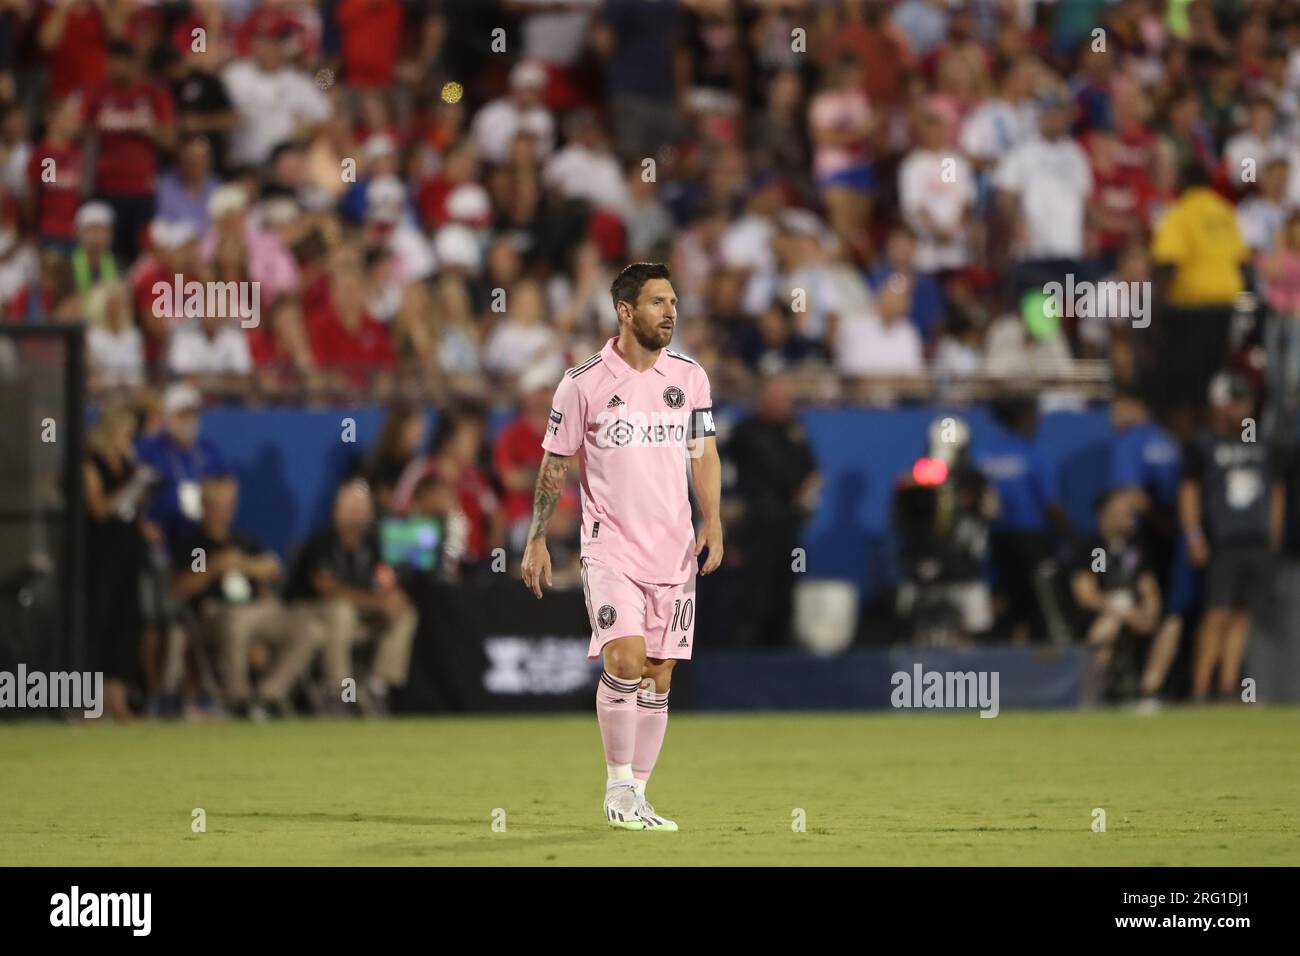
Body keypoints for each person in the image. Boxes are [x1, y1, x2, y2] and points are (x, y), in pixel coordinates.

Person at [521, 262, 723, 832]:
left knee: (659, 675)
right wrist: (536, 537)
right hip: (610, 548)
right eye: (659, 302)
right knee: (626, 661)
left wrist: (714, 521)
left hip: (674, 550)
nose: (672, 313)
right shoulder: (582, 383)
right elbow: (555, 463)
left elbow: (703, 453)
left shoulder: (691, 377)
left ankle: (638, 794)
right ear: (626, 311)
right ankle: (616, 788)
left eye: (675, 302)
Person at [173, 476, 325, 718]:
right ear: (204, 507)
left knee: (311, 630)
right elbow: (180, 588)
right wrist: (213, 567)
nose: (224, 512)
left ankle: (267, 696)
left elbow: (273, 567)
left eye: (229, 505)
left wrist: (242, 564)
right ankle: (237, 697)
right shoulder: (195, 545)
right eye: (218, 506)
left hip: (260, 611)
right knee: (237, 622)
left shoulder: (243, 540)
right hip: (217, 612)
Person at [1179, 371, 1285, 702]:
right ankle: (1200, 689)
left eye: (1245, 401)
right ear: (1219, 406)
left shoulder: (1263, 443)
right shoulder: (1204, 444)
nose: (1243, 409)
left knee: (1242, 617)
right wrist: (1194, 535)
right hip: (1223, 541)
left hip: (1256, 540)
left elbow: (1276, 491)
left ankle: (1227, 689)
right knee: (1216, 614)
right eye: (1235, 402)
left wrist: (1274, 534)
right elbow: (1189, 492)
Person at [286, 480, 417, 716]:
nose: (358, 513)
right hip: (307, 613)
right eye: (351, 506)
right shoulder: (321, 542)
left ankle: (378, 686)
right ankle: (338, 691)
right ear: (337, 510)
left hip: (357, 616)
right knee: (340, 611)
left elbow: (385, 580)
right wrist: (376, 602)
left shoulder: (374, 544)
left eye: (362, 506)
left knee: (404, 612)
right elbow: (328, 590)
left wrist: (393, 598)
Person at [724, 373, 820, 647]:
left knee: (788, 582)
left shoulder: (794, 430)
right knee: (754, 590)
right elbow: (726, 476)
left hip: (788, 525)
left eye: (788, 398)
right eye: (780, 398)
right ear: (763, 400)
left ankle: (782, 648)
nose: (786, 404)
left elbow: (812, 471)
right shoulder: (745, 433)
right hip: (755, 524)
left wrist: (806, 495)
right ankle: (746, 649)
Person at [83, 404, 155, 720]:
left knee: (128, 623)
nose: (128, 439)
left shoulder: (128, 463)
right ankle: (91, 701)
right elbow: (98, 510)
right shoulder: (90, 464)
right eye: (124, 433)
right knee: (100, 621)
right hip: (101, 553)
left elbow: (133, 512)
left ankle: (118, 699)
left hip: (129, 551)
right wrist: (130, 488)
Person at [1068, 491, 1164, 706]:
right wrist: (1125, 614)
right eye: (1122, 512)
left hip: (1133, 613)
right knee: (1108, 625)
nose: (1129, 517)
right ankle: (1089, 694)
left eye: (1130, 513)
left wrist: (1149, 612)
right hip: (1100, 615)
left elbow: (1149, 588)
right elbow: (1086, 595)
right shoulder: (1093, 548)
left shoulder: (1136, 548)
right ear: (1104, 515)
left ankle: (1148, 691)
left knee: (1171, 624)